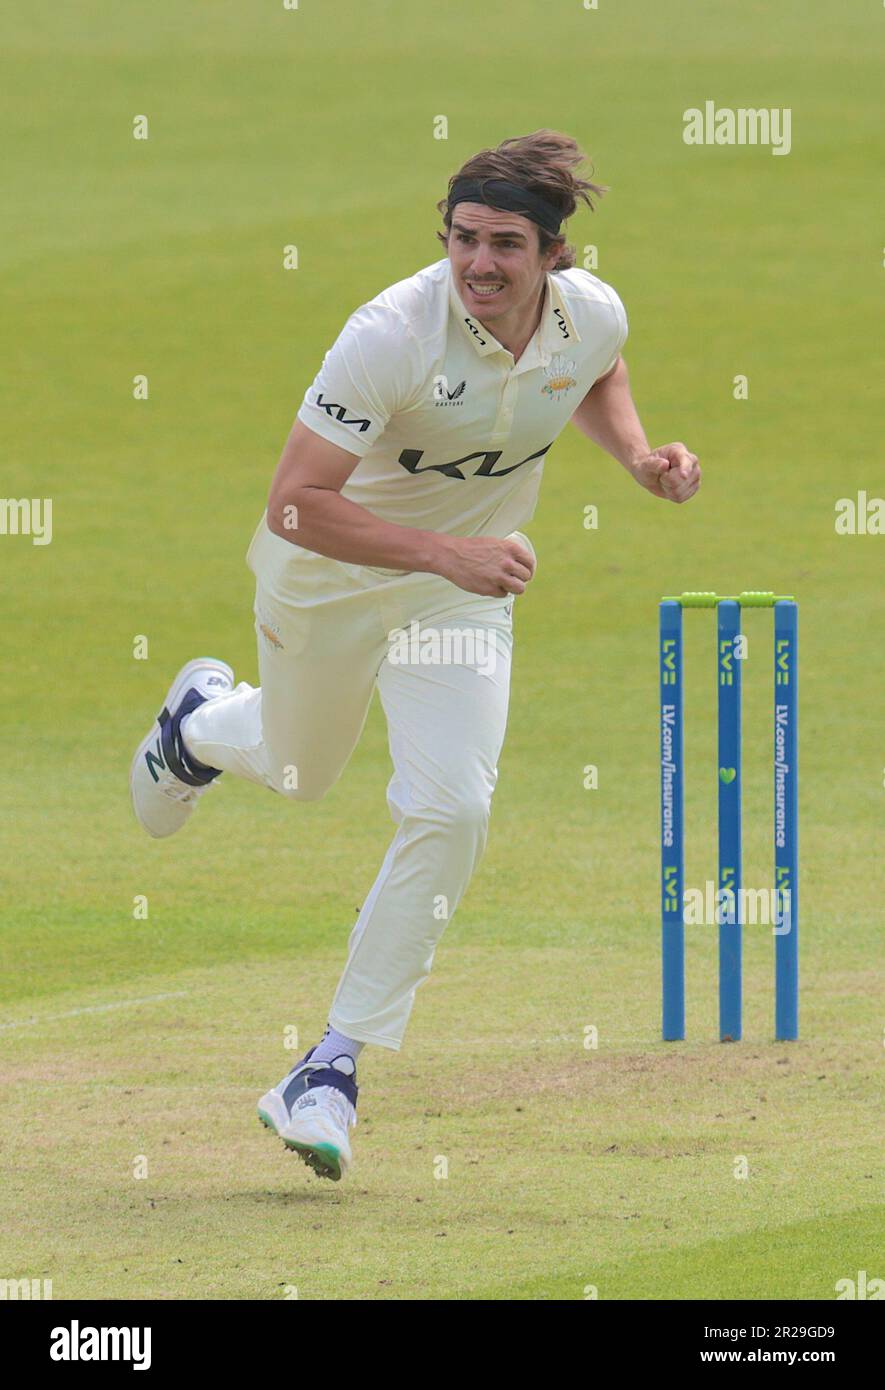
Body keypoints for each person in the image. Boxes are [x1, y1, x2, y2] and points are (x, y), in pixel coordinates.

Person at [130, 129, 700, 1182]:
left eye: (507, 246)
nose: (479, 265)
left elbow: (597, 368)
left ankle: (330, 1066)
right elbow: (296, 506)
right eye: (463, 239)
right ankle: (200, 725)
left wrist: (637, 456)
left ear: (554, 257)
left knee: (455, 808)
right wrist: (447, 548)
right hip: (330, 579)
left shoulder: (594, 313)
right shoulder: (389, 334)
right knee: (302, 775)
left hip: (463, 593)